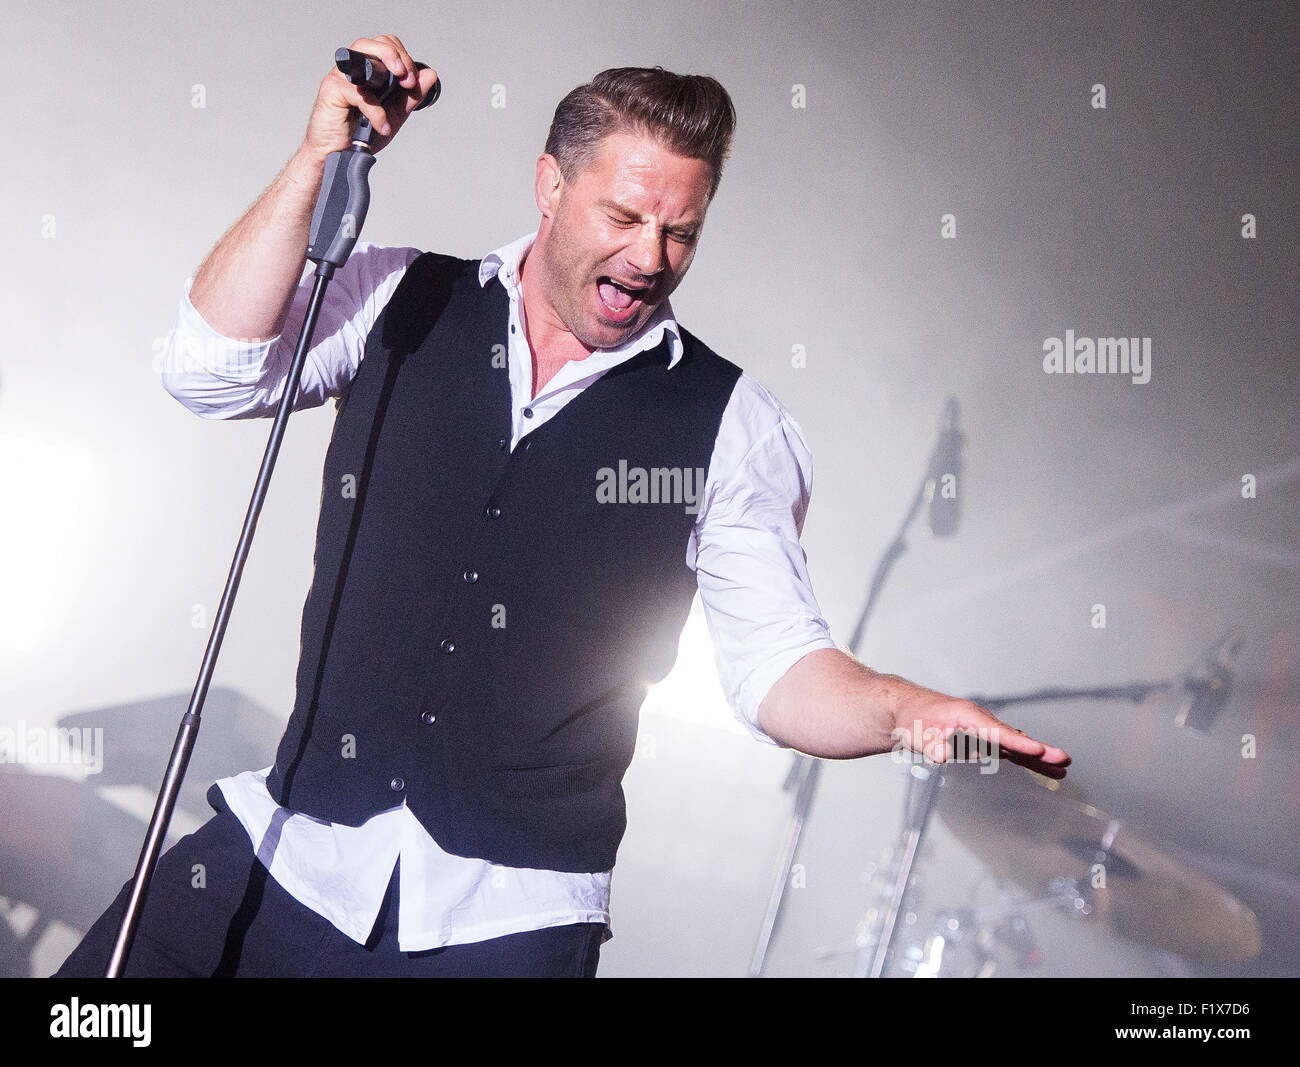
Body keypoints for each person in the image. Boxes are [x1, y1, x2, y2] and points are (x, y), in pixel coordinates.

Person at [55, 35, 1069, 979]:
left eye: (681, 231)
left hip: (503, 926)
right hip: (286, 849)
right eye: (623, 217)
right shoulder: (399, 297)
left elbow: (775, 671)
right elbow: (209, 371)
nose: (648, 257)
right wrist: (321, 157)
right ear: (549, 185)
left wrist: (903, 709)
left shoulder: (732, 424)